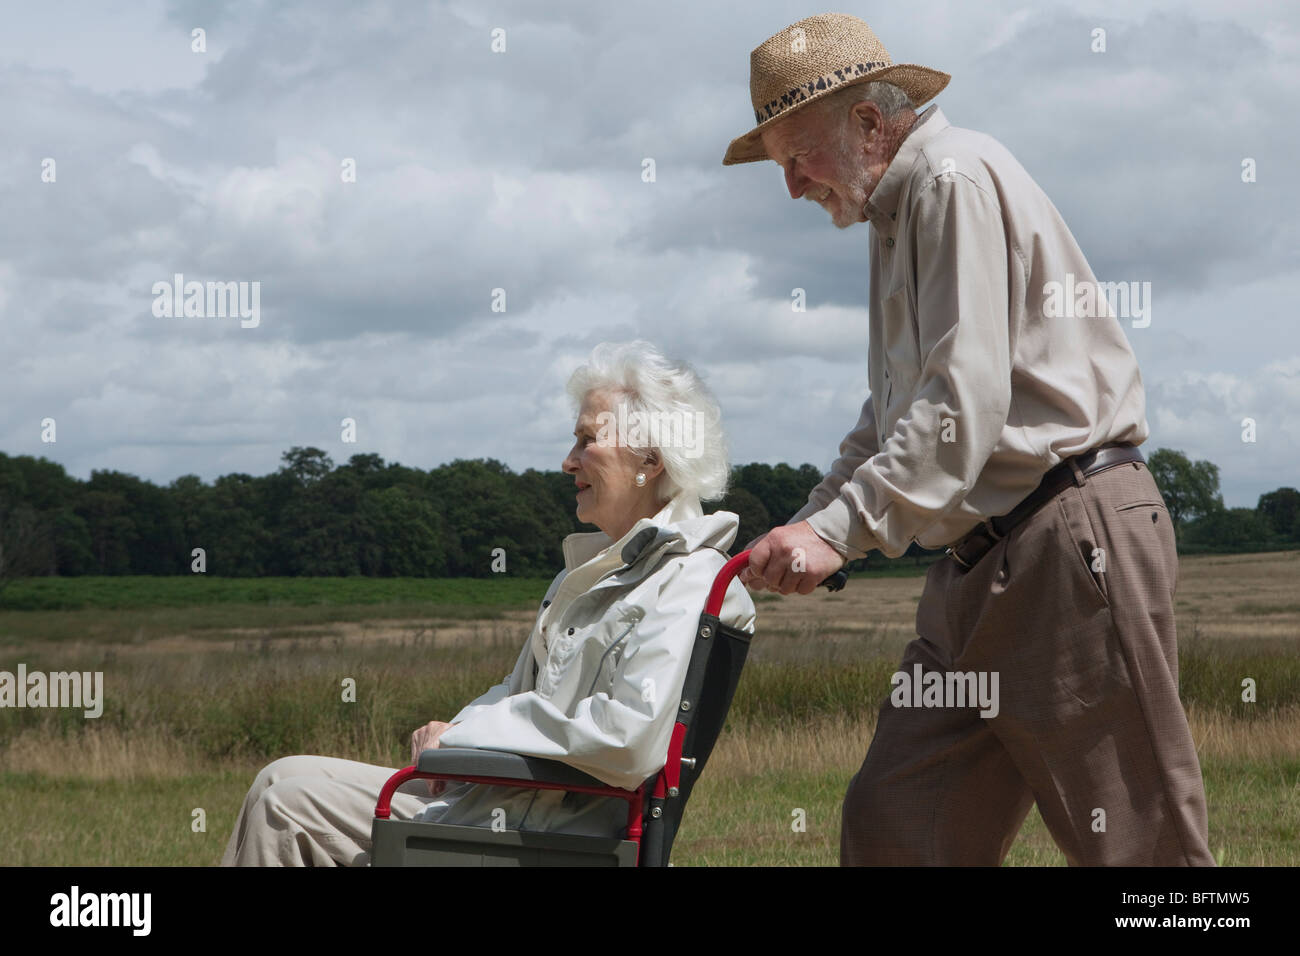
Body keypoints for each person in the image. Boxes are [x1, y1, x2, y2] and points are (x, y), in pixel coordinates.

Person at [723, 13, 1214, 866]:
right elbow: (890, 416)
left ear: (870, 124)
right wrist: (803, 524)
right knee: (897, 827)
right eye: (780, 166)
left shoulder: (952, 181)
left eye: (798, 157)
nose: (792, 189)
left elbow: (964, 404)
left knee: (1142, 850)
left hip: (1068, 541)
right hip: (971, 572)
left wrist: (837, 535)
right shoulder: (893, 210)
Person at [221, 341, 755, 865]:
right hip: (501, 805)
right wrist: (452, 734)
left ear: (649, 459)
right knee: (281, 775)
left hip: (556, 836)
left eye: (586, 440)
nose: (567, 462)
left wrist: (468, 737)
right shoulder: (594, 569)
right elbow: (520, 691)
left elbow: (628, 740)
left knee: (283, 808)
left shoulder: (688, 579)